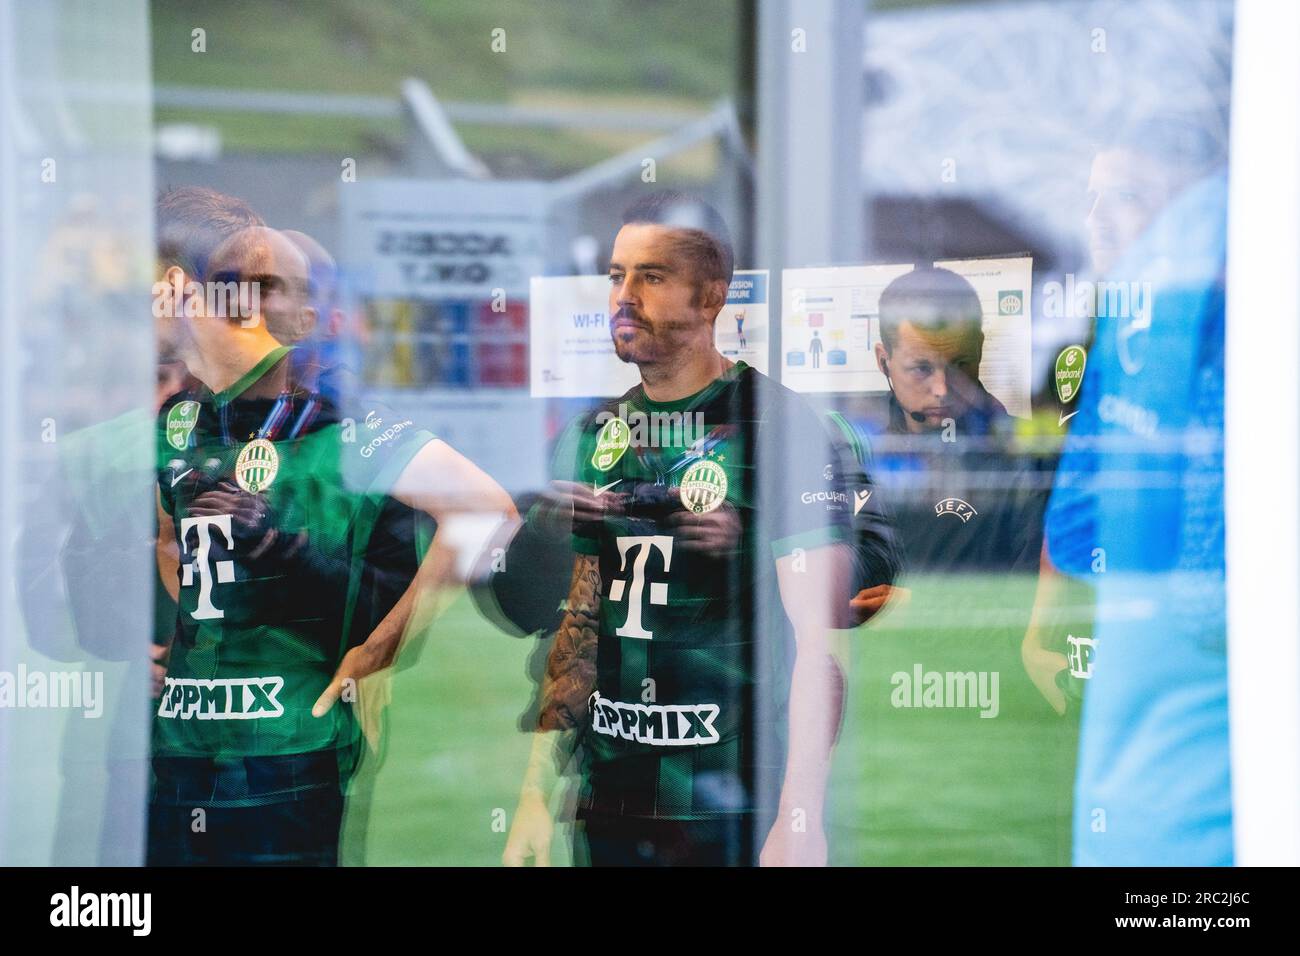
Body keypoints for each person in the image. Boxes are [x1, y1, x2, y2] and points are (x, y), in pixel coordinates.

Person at [502, 191, 876, 866]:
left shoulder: (779, 428)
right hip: (610, 802)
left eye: (651, 276)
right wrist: (535, 790)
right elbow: (575, 625)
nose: (623, 295)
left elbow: (818, 645)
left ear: (709, 299)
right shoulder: (594, 433)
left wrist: (800, 819)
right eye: (616, 275)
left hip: (727, 803)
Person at [147, 191, 515, 865]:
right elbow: (168, 538)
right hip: (181, 754)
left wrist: (380, 646)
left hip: (285, 760)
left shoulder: (339, 426)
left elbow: (486, 510)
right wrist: (179, 634)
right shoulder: (178, 422)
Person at [831, 266, 1067, 865]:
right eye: (921, 369)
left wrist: (910, 608)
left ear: (982, 352)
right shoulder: (851, 457)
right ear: (883, 360)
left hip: (987, 736)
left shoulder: (1015, 459)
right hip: (877, 742)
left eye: (959, 366)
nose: (942, 389)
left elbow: (1024, 612)